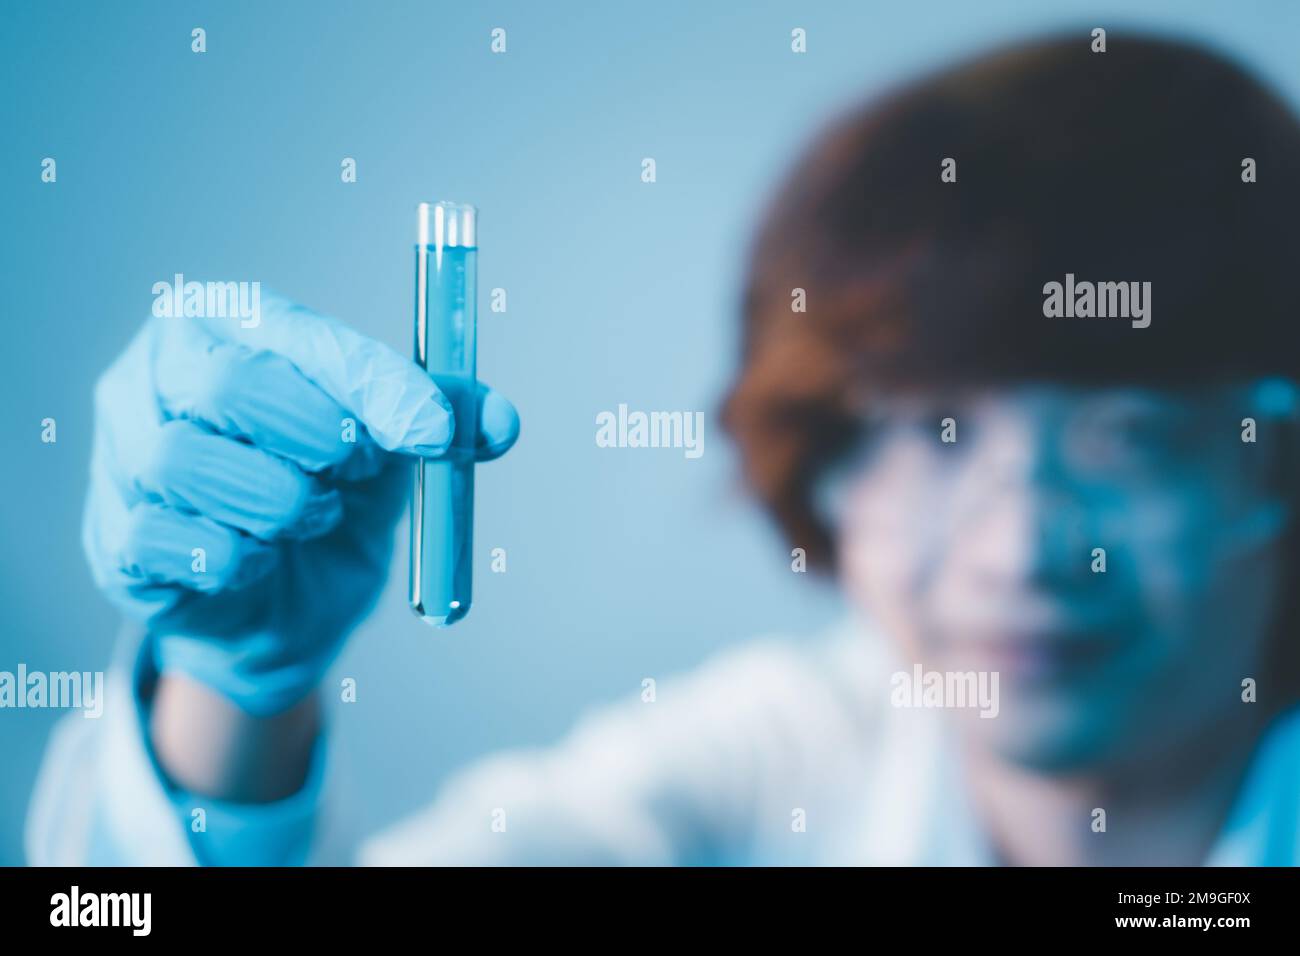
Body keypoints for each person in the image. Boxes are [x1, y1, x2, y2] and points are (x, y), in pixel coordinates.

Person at [26, 33, 1300, 866]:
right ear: (823, 460)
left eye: (1132, 433)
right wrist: (236, 694)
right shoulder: (771, 770)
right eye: (933, 430)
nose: (1020, 547)